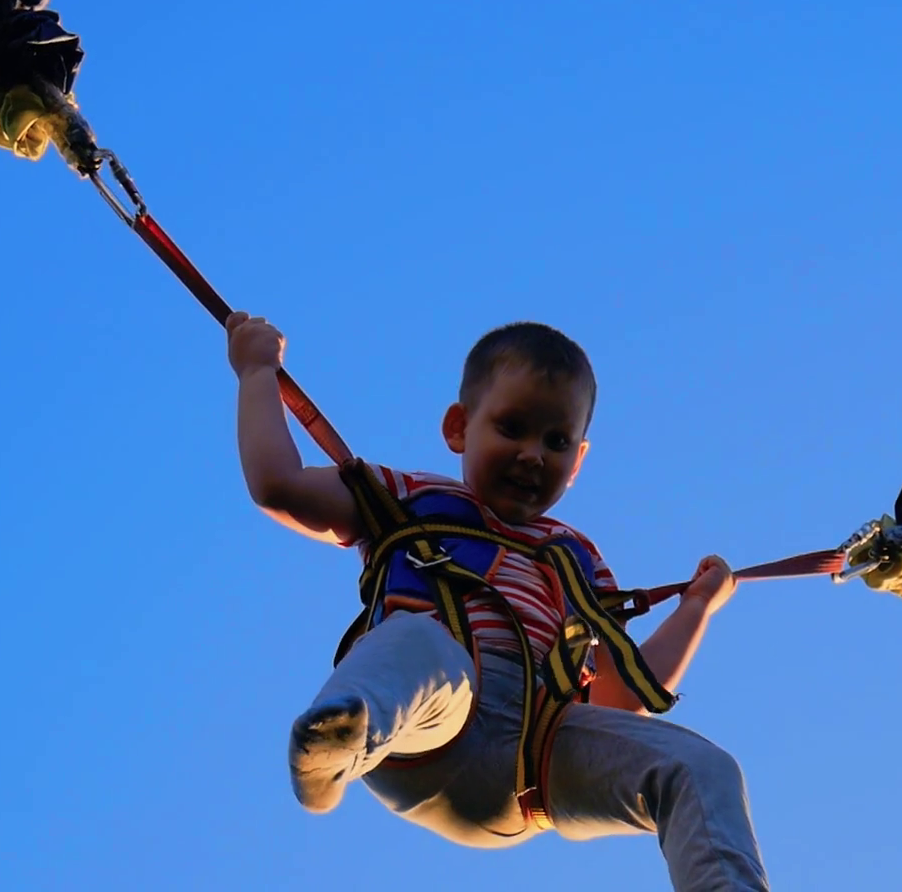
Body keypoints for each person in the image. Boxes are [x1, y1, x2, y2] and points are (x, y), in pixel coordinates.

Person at [226, 311, 771, 890]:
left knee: (704, 767)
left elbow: (619, 699)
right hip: (435, 718)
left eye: (556, 441)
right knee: (418, 640)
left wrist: (696, 608)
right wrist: (257, 370)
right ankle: (339, 742)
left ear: (579, 460)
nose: (534, 454)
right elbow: (278, 486)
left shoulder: (576, 559)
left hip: (536, 759)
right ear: (459, 427)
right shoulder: (413, 498)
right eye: (512, 428)